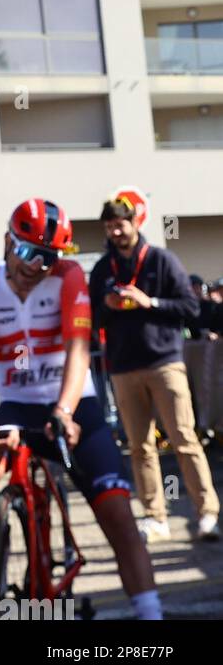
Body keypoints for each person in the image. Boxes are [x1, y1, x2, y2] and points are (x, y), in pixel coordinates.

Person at [0, 199, 162, 620]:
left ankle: (150, 612)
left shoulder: (68, 276)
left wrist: (64, 411)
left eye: (48, 258)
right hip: (16, 408)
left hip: (73, 405)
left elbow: (78, 348)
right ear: (8, 243)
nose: (37, 266)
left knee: (118, 515)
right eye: (29, 253)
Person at [89, 188, 219, 542]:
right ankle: (154, 517)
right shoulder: (102, 270)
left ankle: (207, 513)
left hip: (164, 363)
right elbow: (90, 315)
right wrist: (109, 306)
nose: (116, 231)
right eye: (110, 226)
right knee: (140, 446)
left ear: (135, 223)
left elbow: (190, 309)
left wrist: (150, 301)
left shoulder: (162, 260)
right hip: (122, 367)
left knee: (184, 439)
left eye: (121, 224)